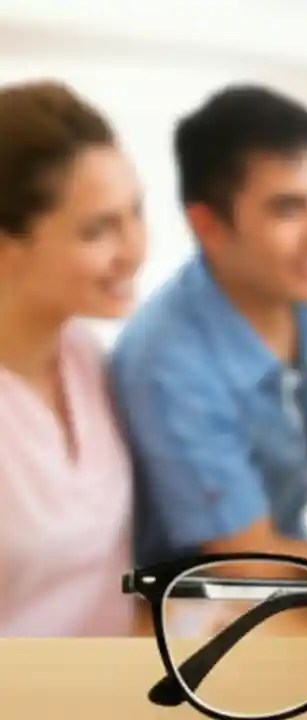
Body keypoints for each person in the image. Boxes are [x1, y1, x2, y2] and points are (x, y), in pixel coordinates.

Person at [111, 85, 307, 573]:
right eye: (289, 209)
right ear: (207, 225)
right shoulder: (164, 361)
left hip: (299, 562)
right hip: (187, 602)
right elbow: (242, 558)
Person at [0, 81, 145, 635]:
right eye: (98, 230)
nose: (134, 250)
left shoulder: (83, 353)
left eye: (136, 213)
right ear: (7, 247)